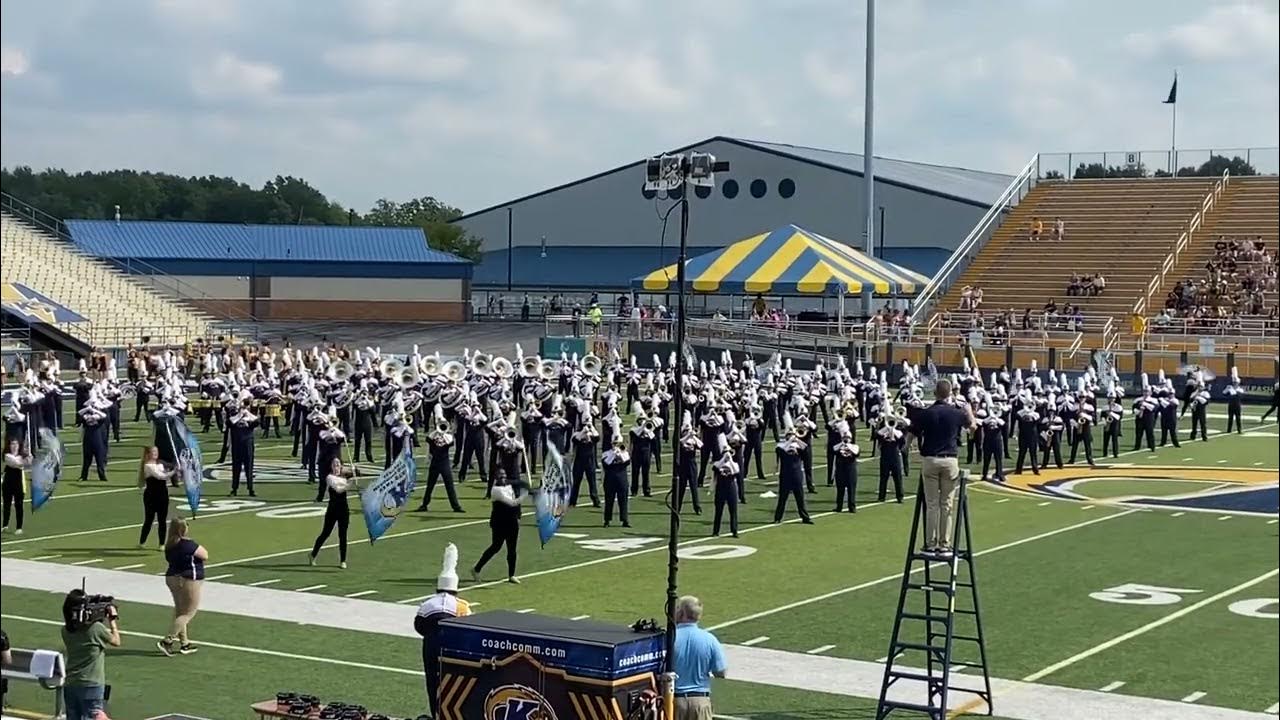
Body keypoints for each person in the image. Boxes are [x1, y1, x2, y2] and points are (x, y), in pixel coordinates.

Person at [911, 379, 975, 557]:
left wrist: (906, 448)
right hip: (950, 460)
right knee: (947, 504)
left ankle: (930, 544)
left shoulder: (927, 413)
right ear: (950, 394)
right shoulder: (956, 413)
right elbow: (973, 428)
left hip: (930, 460)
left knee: (932, 504)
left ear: (935, 393)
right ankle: (944, 544)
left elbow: (912, 431)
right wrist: (969, 411)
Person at [415, 544, 471, 719]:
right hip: (453, 647)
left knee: (432, 682)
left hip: (430, 645)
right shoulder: (463, 606)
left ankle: (436, 713)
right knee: (456, 682)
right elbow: (469, 628)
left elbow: (419, 626)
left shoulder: (427, 603)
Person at [61, 589, 120, 720]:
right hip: (91, 684)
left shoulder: (65, 630)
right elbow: (116, 641)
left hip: (71, 682)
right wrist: (112, 621)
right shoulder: (96, 629)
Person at [672, 595, 726, 720]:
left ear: (681, 613)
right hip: (700, 701)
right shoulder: (710, 639)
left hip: (674, 701)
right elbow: (720, 672)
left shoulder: (669, 637)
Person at [158, 518, 206, 657]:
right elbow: (205, 554)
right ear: (183, 529)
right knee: (188, 613)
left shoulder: (170, 544)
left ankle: (184, 643)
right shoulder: (187, 544)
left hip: (172, 577)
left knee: (180, 611)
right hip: (189, 579)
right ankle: (167, 640)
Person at [471, 469, 527, 583]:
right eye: (500, 475)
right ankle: (476, 569)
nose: (503, 477)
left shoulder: (508, 485)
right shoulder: (496, 490)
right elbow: (513, 503)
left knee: (512, 549)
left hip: (512, 521)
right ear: (496, 477)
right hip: (499, 522)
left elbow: (519, 483)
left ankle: (511, 575)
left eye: (504, 474)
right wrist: (525, 494)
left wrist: (529, 487)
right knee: (496, 546)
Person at [310, 457, 355, 569]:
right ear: (331, 467)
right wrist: (351, 483)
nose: (336, 466)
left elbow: (353, 477)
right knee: (325, 533)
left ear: (341, 466)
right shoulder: (330, 478)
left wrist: (354, 472)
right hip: (332, 510)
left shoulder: (345, 476)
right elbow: (339, 489)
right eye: (334, 464)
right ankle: (313, 554)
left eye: (338, 464)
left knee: (343, 535)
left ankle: (343, 560)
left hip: (344, 509)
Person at [138, 446, 174, 548]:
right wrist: (174, 471)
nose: (155, 453)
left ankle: (161, 543)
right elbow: (160, 476)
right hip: (151, 495)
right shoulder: (148, 466)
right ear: (148, 454)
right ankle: (142, 542)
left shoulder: (160, 464)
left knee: (162, 520)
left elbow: (167, 471)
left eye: (156, 451)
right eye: (153, 451)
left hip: (163, 494)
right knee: (149, 520)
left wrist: (178, 466)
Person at [3, 440, 30, 535]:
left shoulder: (21, 456)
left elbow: (25, 463)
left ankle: (19, 527)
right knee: (6, 504)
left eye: (16, 444)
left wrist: (29, 458)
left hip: (19, 482)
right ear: (9, 445)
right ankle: (5, 525)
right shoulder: (7, 456)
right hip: (8, 482)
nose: (14, 446)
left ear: (19, 445)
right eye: (12, 444)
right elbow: (16, 463)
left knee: (19, 505)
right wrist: (26, 461)